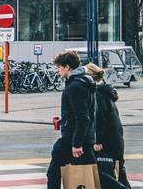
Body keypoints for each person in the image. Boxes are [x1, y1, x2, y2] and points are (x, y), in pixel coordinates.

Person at [46, 50, 98, 189]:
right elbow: (85, 113)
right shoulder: (84, 82)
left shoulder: (74, 87)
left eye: (59, 67)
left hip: (73, 139)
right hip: (85, 137)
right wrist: (65, 119)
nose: (58, 71)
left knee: (53, 173)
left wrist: (76, 144)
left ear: (68, 67)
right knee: (90, 174)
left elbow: (82, 117)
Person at [85, 63, 130, 188]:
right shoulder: (106, 93)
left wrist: (98, 140)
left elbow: (100, 118)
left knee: (108, 177)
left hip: (107, 141)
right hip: (115, 139)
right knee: (120, 172)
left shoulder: (98, 94)